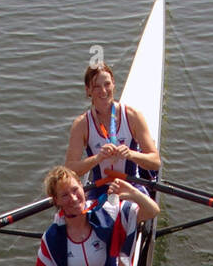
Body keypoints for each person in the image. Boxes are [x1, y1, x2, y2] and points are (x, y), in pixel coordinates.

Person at [64, 62, 161, 190]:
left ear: (113, 84)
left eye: (107, 84)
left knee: (145, 209)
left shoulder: (133, 116)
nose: (103, 91)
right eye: (96, 86)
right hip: (100, 188)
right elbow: (70, 170)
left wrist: (130, 154)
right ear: (88, 90)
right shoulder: (81, 125)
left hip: (131, 185)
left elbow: (155, 162)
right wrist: (97, 158)